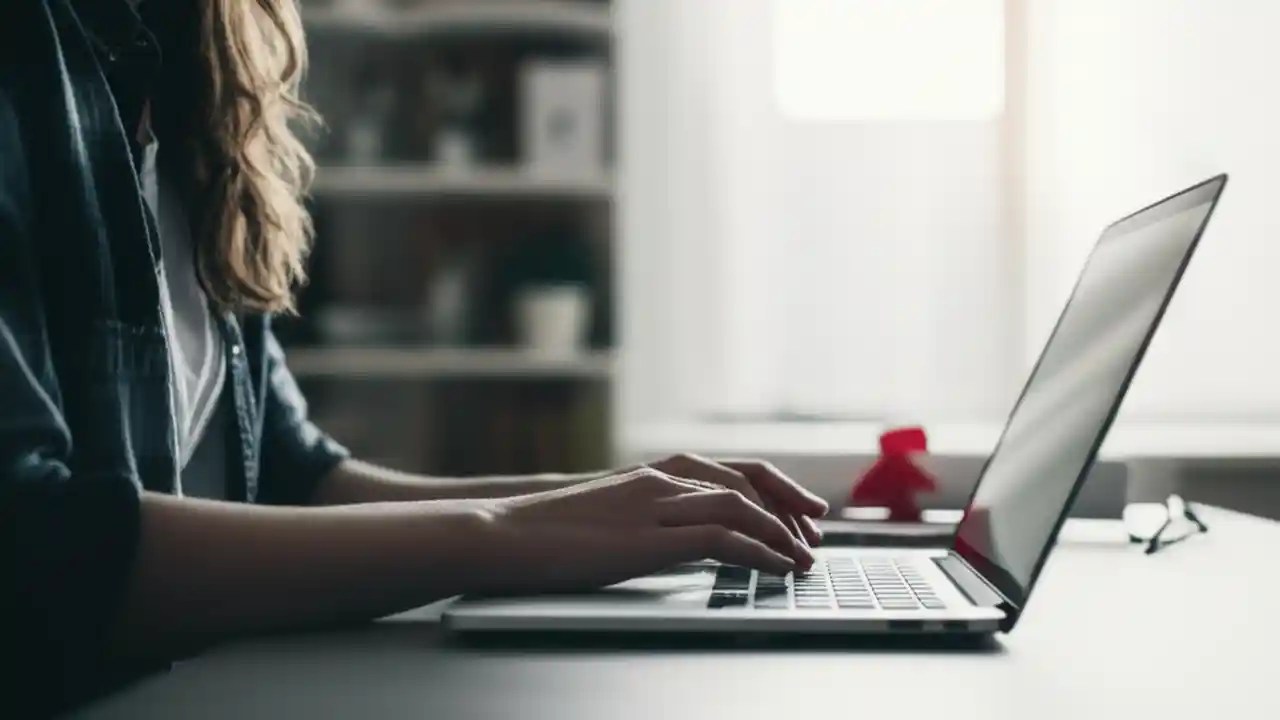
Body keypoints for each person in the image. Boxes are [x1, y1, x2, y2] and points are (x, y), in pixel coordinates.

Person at [0, 1, 828, 714]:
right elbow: (35, 548)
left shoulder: (196, 81)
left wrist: (624, 501)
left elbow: (296, 481)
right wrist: (503, 532)